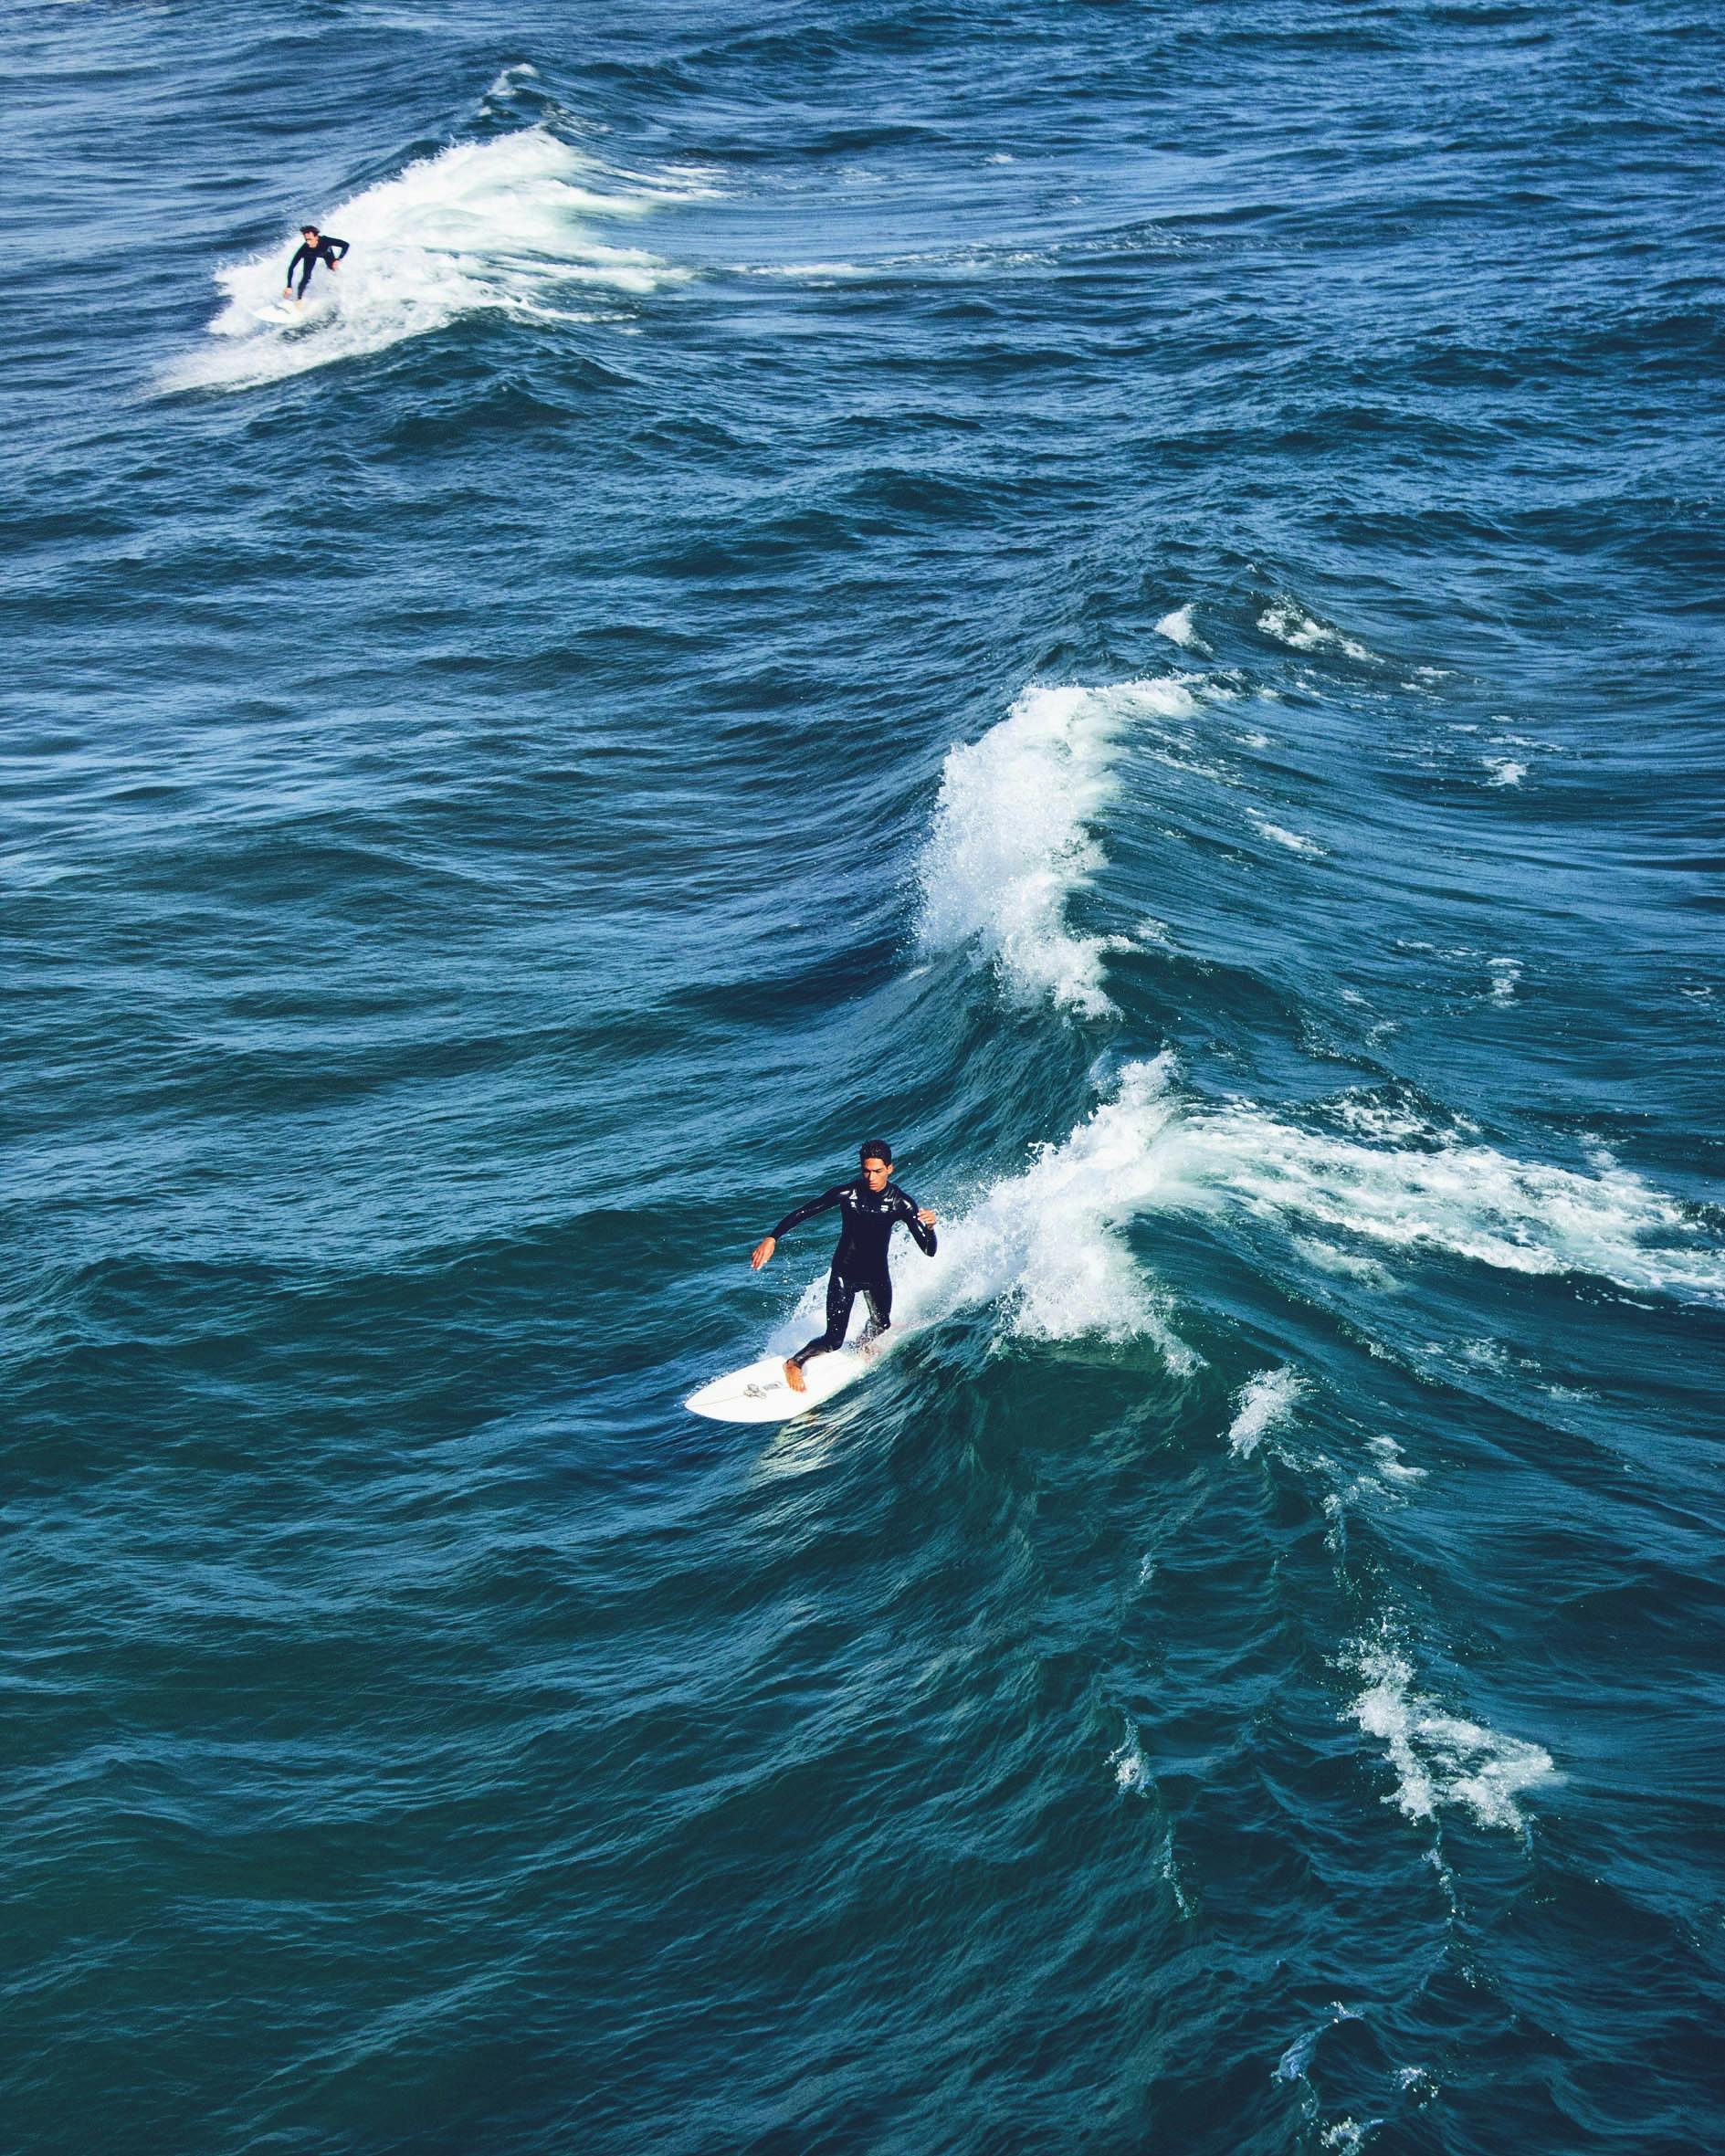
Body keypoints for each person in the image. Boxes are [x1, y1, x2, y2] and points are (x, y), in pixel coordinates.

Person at [751, 1141, 938, 1393]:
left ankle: (863, 1343)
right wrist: (773, 1237)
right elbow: (805, 1211)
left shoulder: (901, 1203)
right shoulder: (848, 1193)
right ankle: (794, 1363)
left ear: (890, 1169)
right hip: (845, 1274)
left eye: (878, 1171)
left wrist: (930, 1227)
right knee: (834, 1340)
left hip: (876, 1276)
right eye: (866, 1171)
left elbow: (929, 1249)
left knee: (882, 1325)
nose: (871, 1177)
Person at [284, 226, 350, 303]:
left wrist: (338, 259)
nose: (308, 242)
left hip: (326, 253)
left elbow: (346, 244)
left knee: (333, 268)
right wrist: (289, 286)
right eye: (306, 240)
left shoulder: (325, 240)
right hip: (311, 255)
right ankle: (299, 299)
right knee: (306, 277)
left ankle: (335, 288)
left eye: (310, 239)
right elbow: (291, 267)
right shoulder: (304, 249)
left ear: (316, 237)